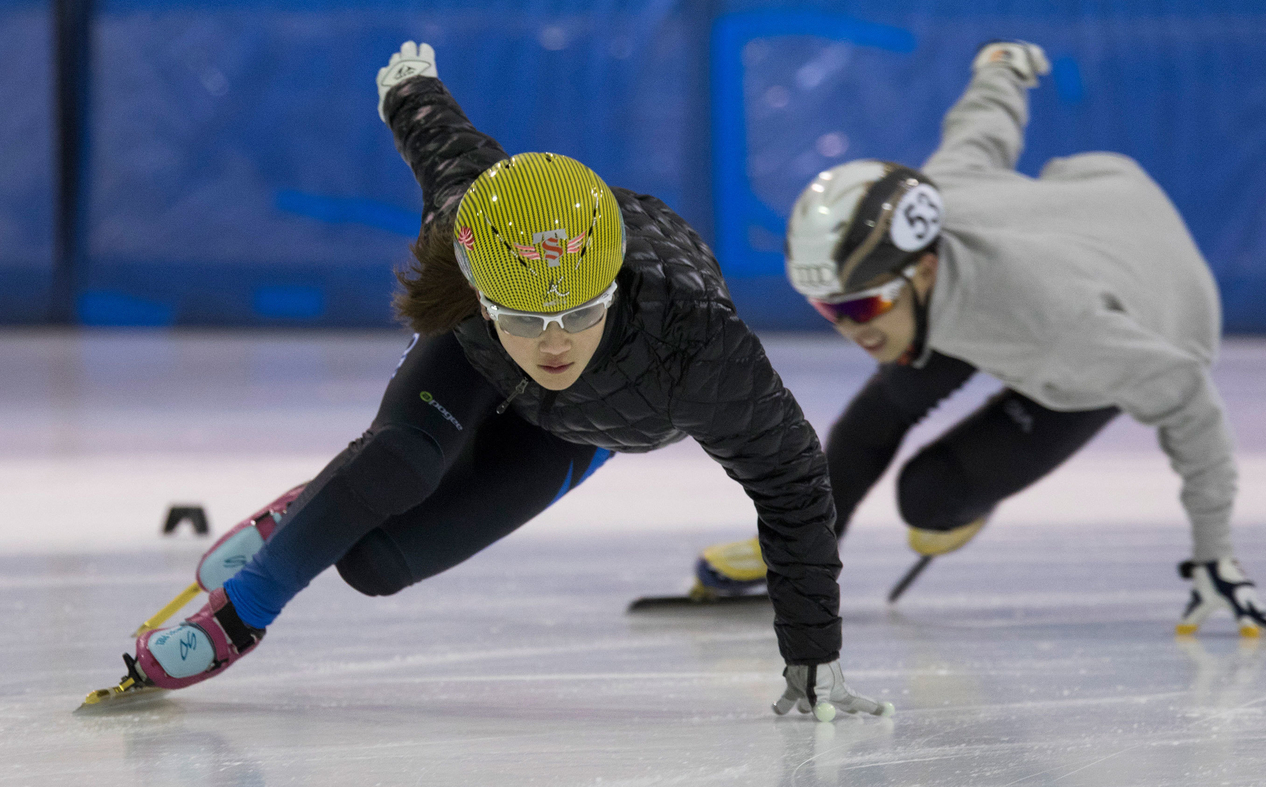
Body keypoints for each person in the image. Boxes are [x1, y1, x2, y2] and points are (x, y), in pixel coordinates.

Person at [99, 42, 891, 721]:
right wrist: (409, 89)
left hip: (586, 426)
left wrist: (812, 661)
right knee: (401, 459)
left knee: (374, 566)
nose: (550, 345)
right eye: (522, 316)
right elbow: (444, 145)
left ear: (612, 290)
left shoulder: (696, 346)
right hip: (472, 362)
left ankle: (310, 509)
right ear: (480, 288)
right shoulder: (470, 224)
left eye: (577, 315)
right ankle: (243, 610)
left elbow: (792, 481)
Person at [695, 41, 1266, 638]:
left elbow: (1189, 399)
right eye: (831, 310)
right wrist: (1003, 66)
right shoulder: (934, 199)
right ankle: (799, 544)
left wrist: (1215, 555)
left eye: (865, 305)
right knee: (876, 414)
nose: (854, 330)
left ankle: (967, 484)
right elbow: (981, 126)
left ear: (922, 270)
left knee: (928, 503)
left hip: (1150, 316)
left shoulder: (1066, 335)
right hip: (1069, 223)